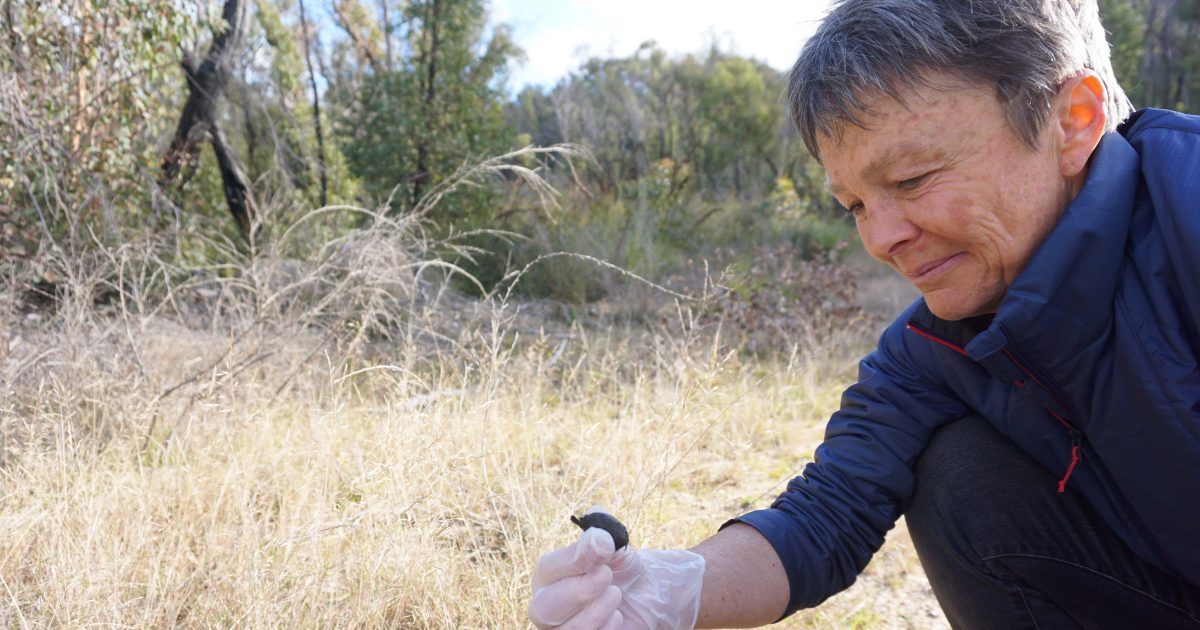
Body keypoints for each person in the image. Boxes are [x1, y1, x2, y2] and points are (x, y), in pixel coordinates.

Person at [527, 0, 1200, 627]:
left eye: (911, 180)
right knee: (959, 476)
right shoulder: (933, 348)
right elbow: (824, 516)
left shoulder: (1185, 203)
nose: (881, 240)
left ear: (1071, 120)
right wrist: (672, 590)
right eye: (853, 205)